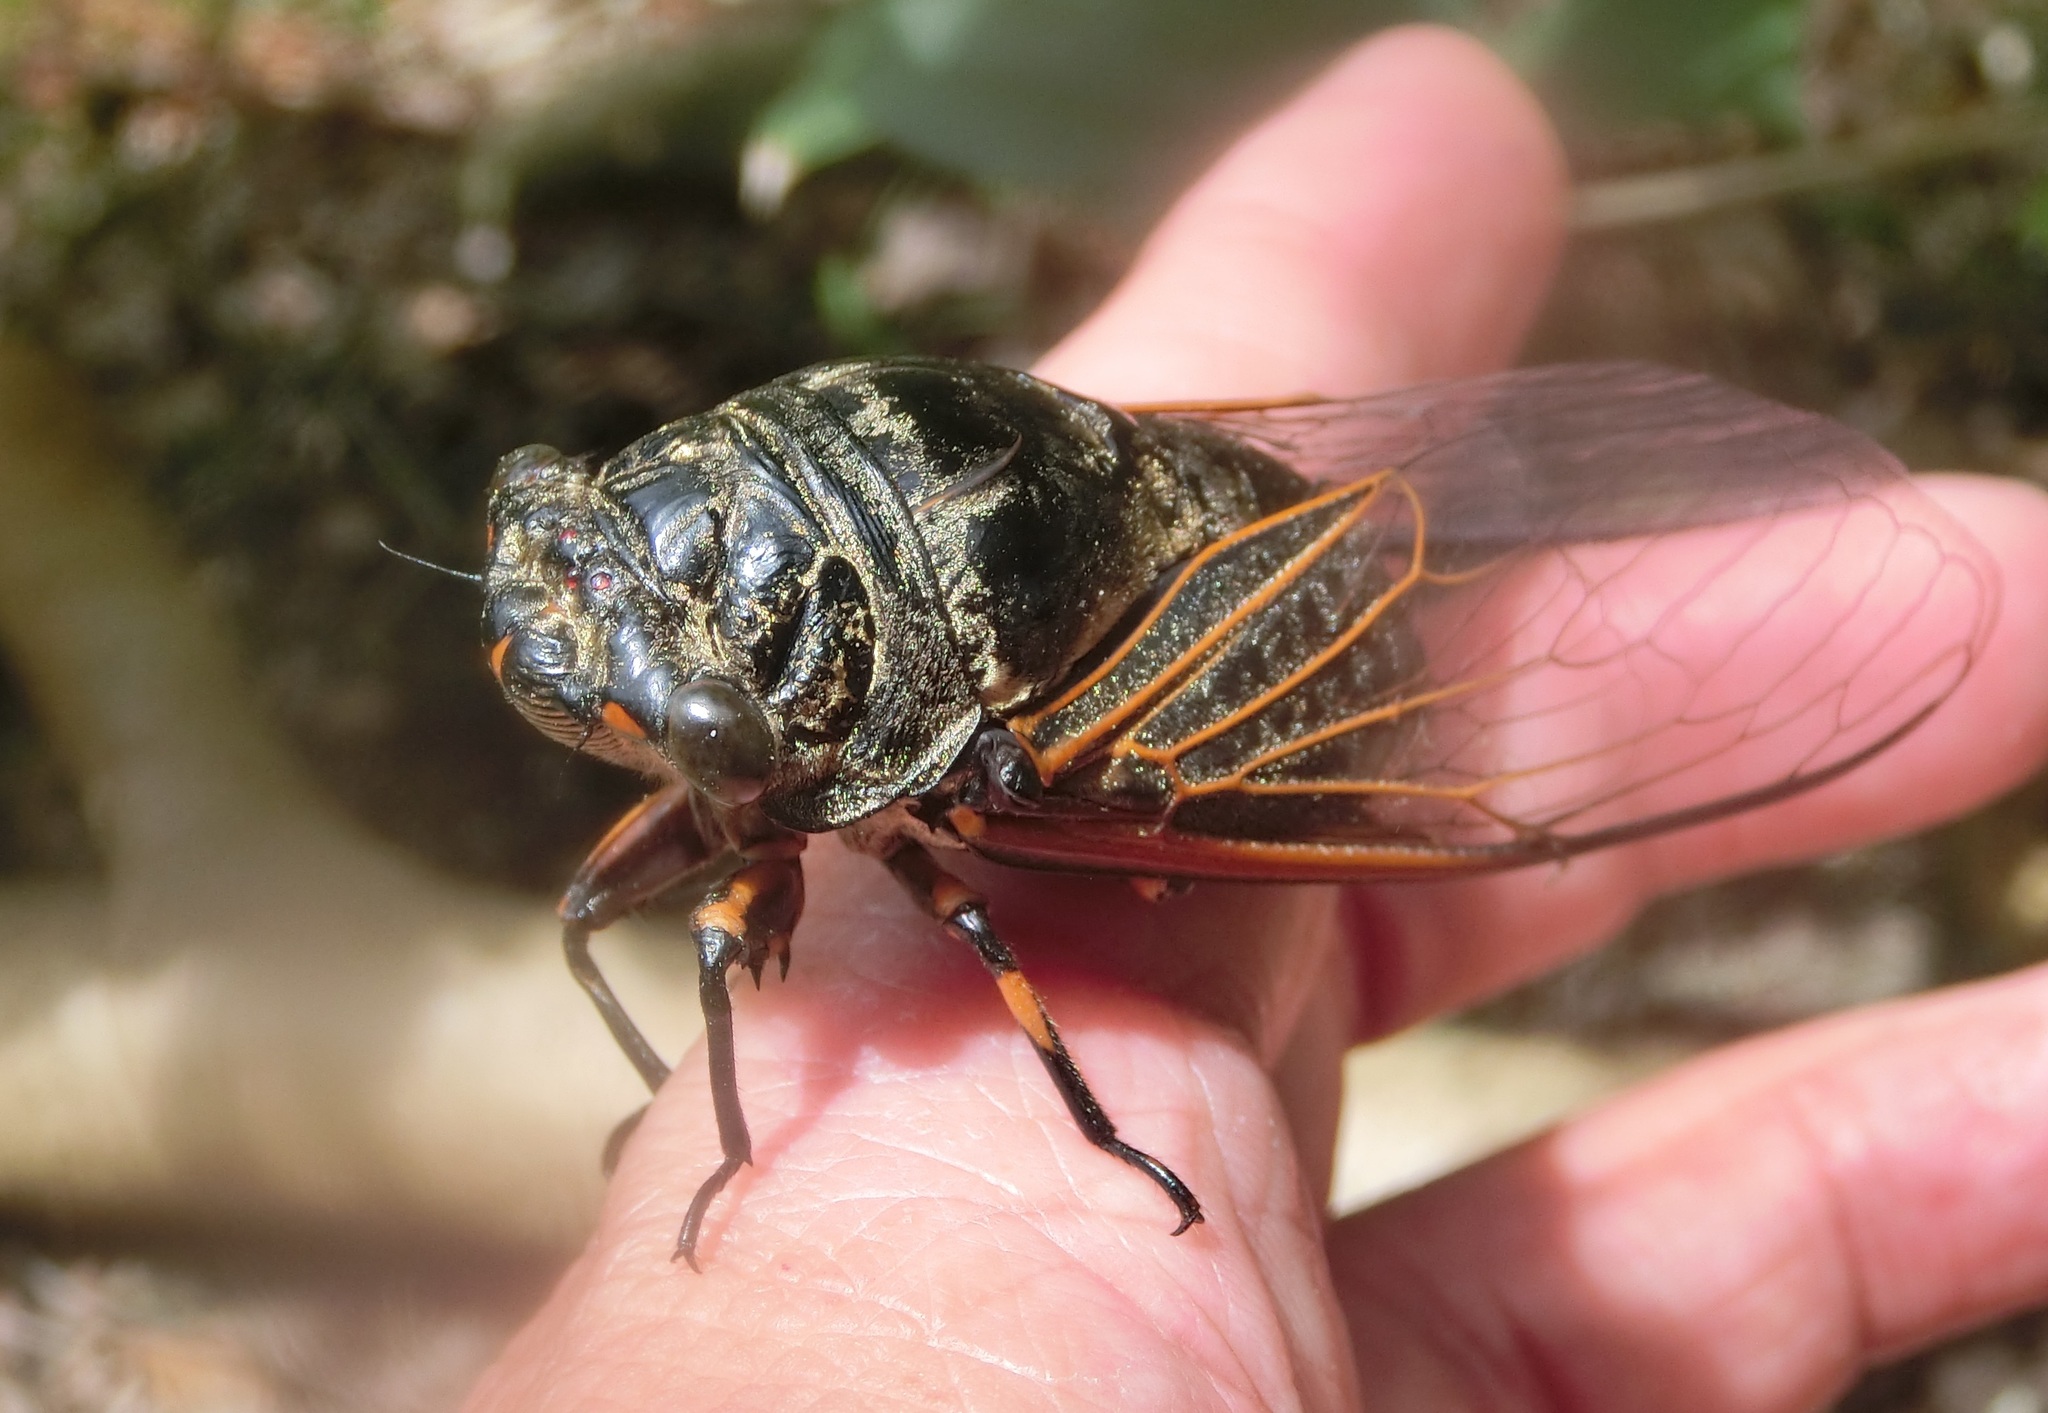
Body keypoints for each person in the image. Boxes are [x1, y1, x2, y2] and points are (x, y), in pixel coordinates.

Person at [464, 26, 2048, 1411]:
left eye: (700, 733)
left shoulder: (941, 764)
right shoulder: (689, 560)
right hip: (1146, 482)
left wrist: (1094, 1135)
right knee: (595, 921)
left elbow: (983, 929)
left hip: (1240, 678)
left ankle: (745, 1149)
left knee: (774, 940)